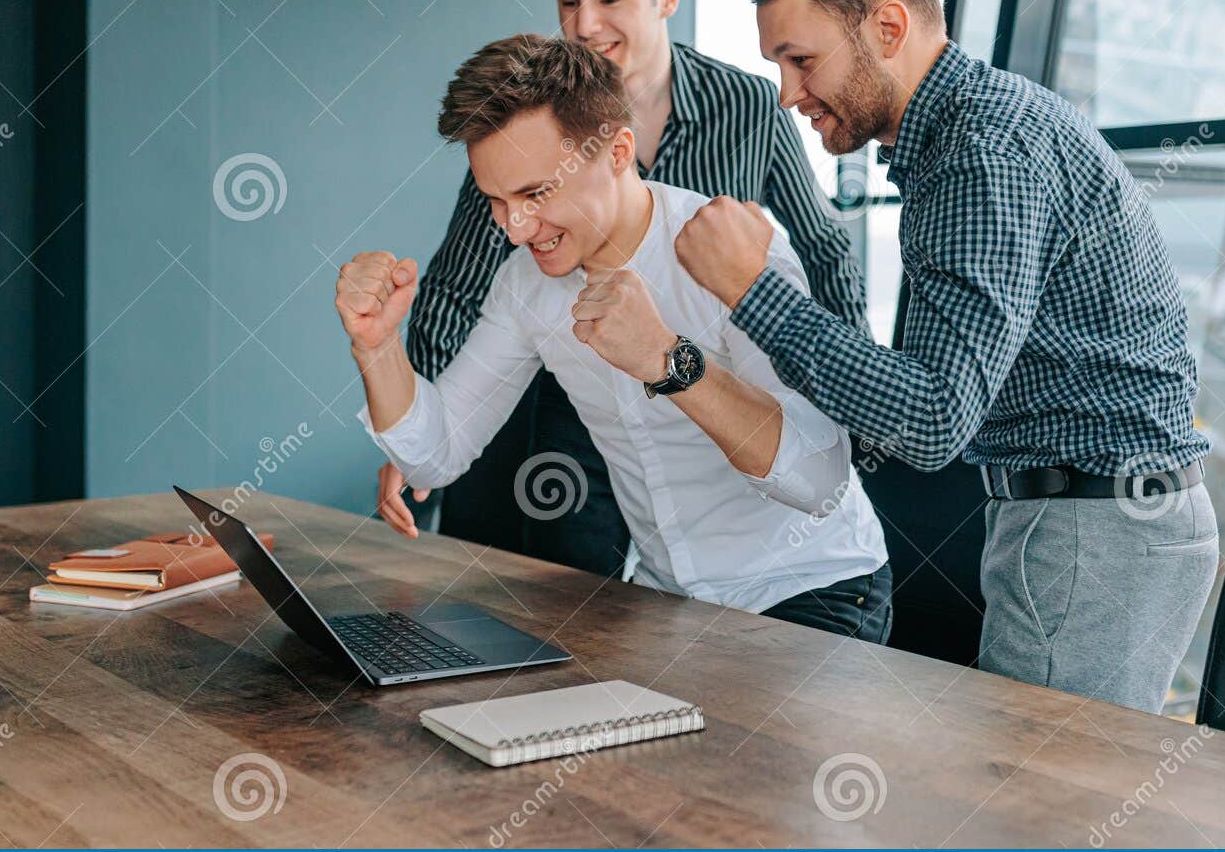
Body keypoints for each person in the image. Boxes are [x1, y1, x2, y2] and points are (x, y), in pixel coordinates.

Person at [673, 0, 1216, 714]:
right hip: (1090, 520)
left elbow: (931, 419)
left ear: (887, 28)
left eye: (801, 59)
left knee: (1035, 822)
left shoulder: (979, 156)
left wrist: (754, 292)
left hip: (1095, 532)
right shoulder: (967, 138)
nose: (787, 93)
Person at [337, 34, 891, 641]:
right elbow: (435, 455)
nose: (516, 227)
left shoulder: (729, 250)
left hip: (809, 588)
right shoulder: (525, 285)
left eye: (535, 193)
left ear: (619, 152)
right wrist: (378, 347)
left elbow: (817, 478)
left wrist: (668, 361)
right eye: (496, 200)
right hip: (667, 600)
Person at [388, 0, 867, 575]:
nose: (585, 24)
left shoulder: (748, 105)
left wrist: (849, 406)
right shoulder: (519, 135)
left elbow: (822, 252)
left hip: (719, 407)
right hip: (579, 406)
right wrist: (421, 432)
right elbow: (455, 288)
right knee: (592, 602)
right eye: (568, 2)